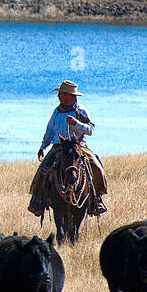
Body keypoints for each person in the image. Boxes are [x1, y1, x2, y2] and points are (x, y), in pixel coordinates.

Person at [28, 80, 107, 217]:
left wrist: (76, 123)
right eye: (59, 93)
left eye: (61, 93)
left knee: (96, 167)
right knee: (43, 170)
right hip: (59, 146)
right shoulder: (57, 111)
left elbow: (90, 130)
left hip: (78, 146)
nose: (59, 96)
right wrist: (43, 147)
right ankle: (37, 199)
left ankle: (96, 199)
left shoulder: (81, 110)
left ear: (70, 96)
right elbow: (50, 131)